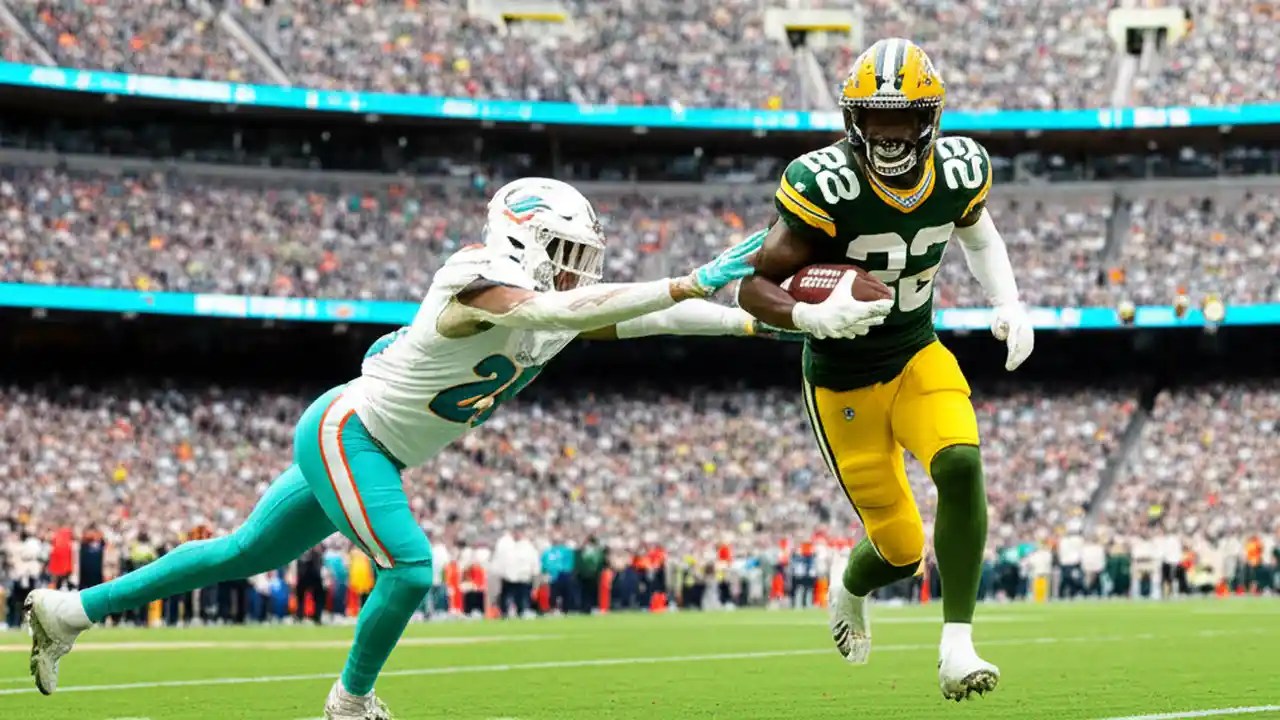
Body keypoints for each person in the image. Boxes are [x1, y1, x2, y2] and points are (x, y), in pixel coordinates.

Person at [25, 177, 766, 719]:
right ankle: (349, 703)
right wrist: (682, 281)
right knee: (409, 568)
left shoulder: (557, 307)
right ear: (523, 239)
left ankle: (68, 611)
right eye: (567, 251)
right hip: (350, 432)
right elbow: (556, 306)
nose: (579, 267)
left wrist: (750, 322)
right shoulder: (479, 275)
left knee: (241, 552)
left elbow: (639, 319)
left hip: (374, 445)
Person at [736, 38, 1035, 701]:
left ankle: (957, 645)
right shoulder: (825, 183)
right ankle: (849, 587)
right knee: (900, 550)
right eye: (874, 116)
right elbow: (753, 287)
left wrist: (1008, 303)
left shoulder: (960, 170)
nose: (887, 132)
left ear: (930, 120)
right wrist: (808, 315)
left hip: (914, 351)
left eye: (901, 118)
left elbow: (978, 235)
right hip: (841, 380)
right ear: (854, 118)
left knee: (960, 462)